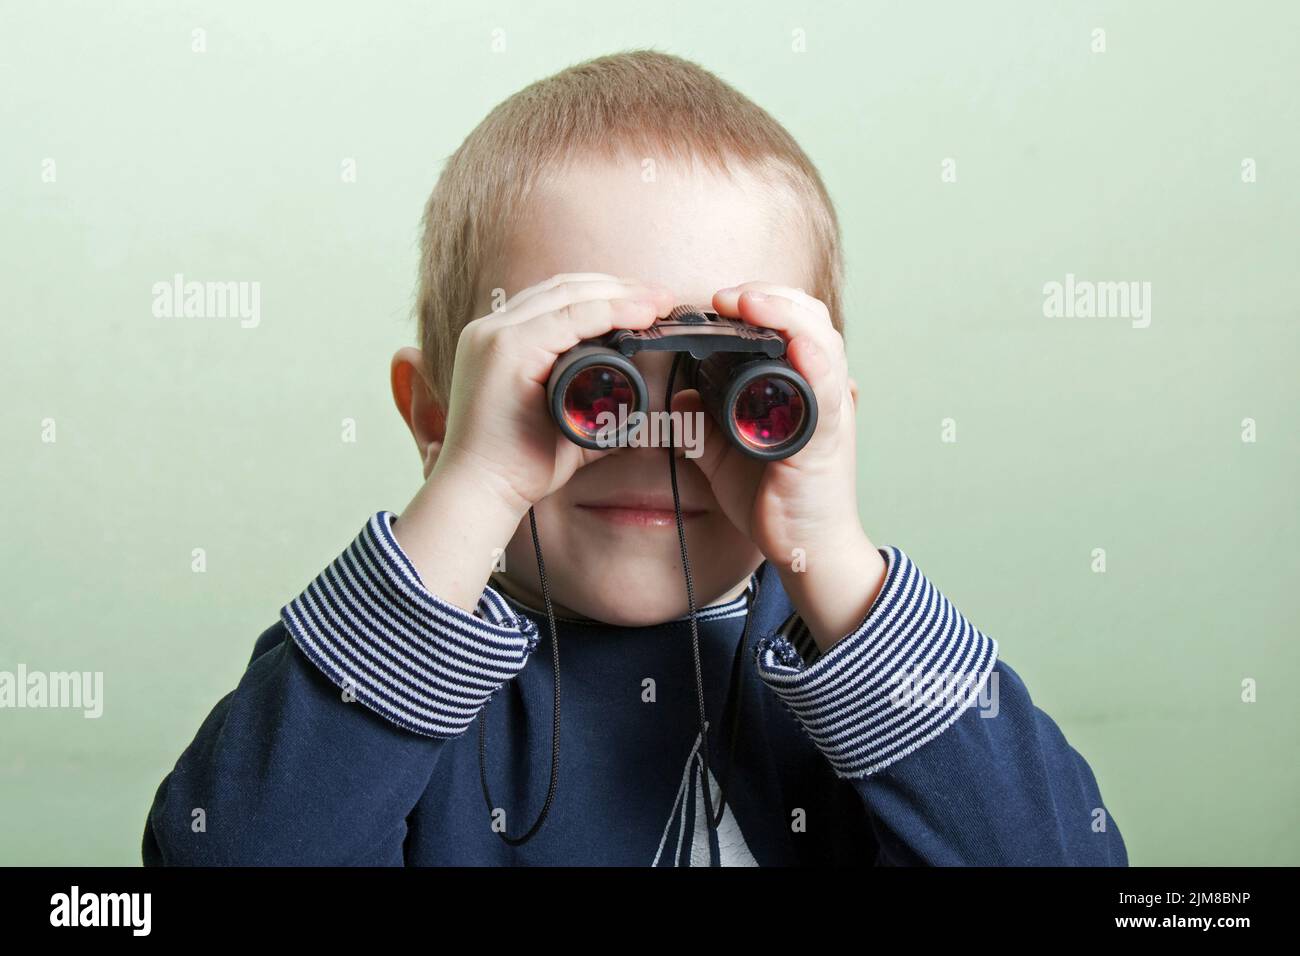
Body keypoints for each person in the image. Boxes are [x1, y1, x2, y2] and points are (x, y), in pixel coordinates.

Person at [143, 49, 1127, 866]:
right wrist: (472, 496)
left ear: (814, 418)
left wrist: (832, 557)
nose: (656, 436)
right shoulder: (393, 681)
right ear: (436, 414)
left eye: (729, 382)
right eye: (587, 379)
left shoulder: (852, 667)